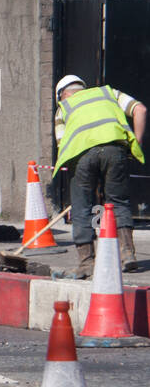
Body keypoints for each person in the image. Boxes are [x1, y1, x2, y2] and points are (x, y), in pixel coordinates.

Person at [53, 74, 147, 275]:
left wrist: (81, 181)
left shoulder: (63, 108)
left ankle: (87, 263)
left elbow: (62, 145)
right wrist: (136, 144)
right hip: (115, 150)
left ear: (63, 94)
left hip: (82, 156)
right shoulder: (108, 92)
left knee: (82, 207)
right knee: (118, 202)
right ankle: (127, 255)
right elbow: (140, 109)